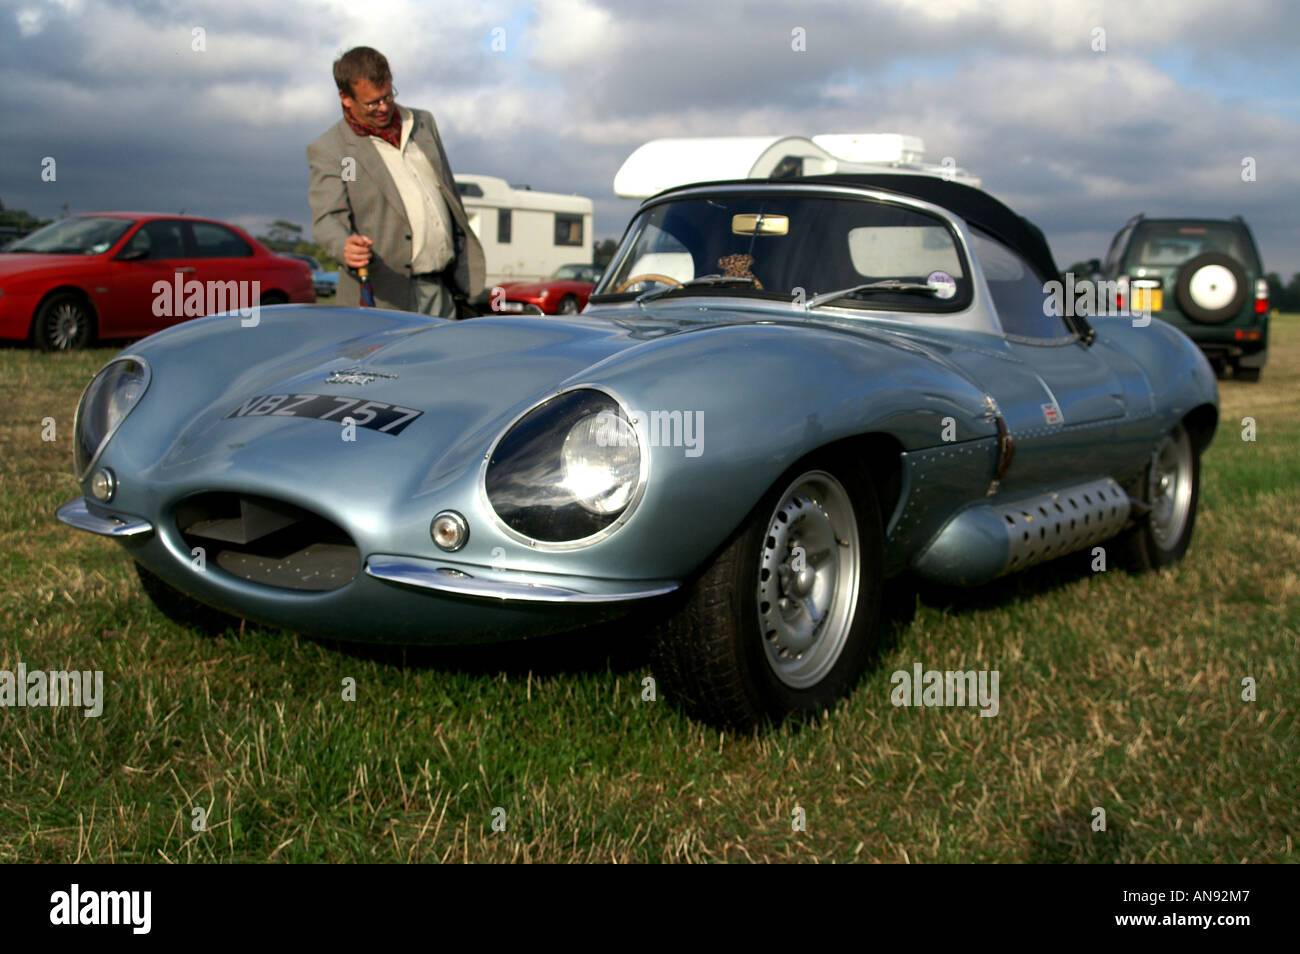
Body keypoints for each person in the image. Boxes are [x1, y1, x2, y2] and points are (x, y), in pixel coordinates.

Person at [307, 46, 484, 315]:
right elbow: (329, 217)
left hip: (444, 288)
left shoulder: (423, 123)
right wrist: (344, 245)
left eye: (389, 96)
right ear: (345, 98)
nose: (384, 107)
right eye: (372, 102)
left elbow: (450, 199)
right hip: (384, 299)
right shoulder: (337, 152)